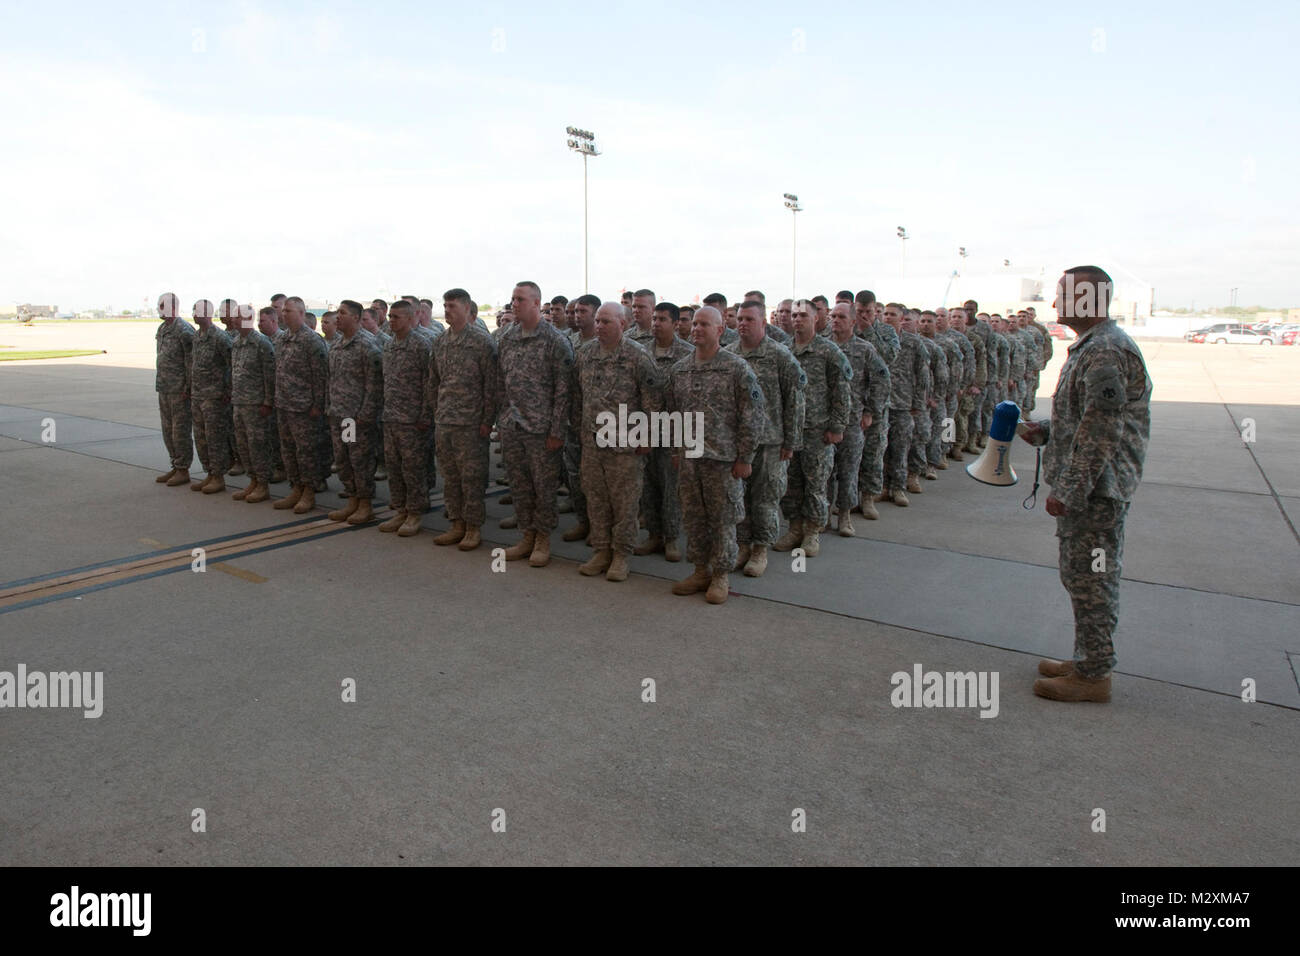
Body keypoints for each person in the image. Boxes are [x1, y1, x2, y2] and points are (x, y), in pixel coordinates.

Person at [1018, 266, 1152, 703]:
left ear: (1091, 298)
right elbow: (1083, 421)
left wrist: (1069, 490)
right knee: (1080, 578)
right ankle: (1088, 658)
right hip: (1091, 489)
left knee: (1093, 580)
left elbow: (1101, 433)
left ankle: (1094, 676)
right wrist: (1040, 431)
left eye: (1063, 295)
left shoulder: (1107, 353)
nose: (1055, 305)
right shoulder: (1093, 348)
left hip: (1097, 493)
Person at [664, 307, 762, 604]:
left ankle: (721, 574)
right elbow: (672, 414)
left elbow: (752, 415)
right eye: (694, 323)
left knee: (723, 519)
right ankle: (700, 570)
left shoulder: (736, 368)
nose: (696, 329)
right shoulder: (679, 369)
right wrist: (675, 450)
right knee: (694, 517)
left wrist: (745, 457)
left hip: (723, 459)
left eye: (704, 324)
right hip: (690, 457)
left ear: (720, 330)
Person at [571, 302, 663, 581]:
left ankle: (621, 554)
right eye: (597, 321)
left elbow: (653, 402)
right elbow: (578, 397)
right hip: (593, 442)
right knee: (596, 499)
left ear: (622, 325)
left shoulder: (637, 356)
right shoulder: (585, 354)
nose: (599, 326)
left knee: (625, 503)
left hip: (625, 446)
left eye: (606, 322)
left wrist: (648, 437)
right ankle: (601, 550)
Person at [496, 281, 574, 567]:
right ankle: (526, 535)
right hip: (513, 425)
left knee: (544, 487)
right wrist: (502, 417)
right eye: (513, 299)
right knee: (519, 484)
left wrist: (556, 430)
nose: (514, 303)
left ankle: (543, 539)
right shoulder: (507, 337)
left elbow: (563, 390)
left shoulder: (555, 340)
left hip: (542, 430)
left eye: (520, 299)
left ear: (536, 303)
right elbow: (500, 382)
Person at [726, 299, 804, 575]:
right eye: (739, 319)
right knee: (739, 497)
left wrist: (791, 441)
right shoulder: (729, 355)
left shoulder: (780, 355)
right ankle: (743, 544)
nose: (742, 324)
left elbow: (794, 400)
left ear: (763, 322)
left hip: (771, 441)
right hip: (737, 442)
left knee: (766, 497)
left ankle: (761, 549)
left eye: (749, 319)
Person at [774, 299, 850, 556]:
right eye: (794, 315)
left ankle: (812, 532)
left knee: (816, 484)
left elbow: (841, 392)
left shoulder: (828, 351)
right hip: (789, 431)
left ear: (816, 319)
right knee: (791, 484)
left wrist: (837, 426)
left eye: (803, 315)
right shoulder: (783, 350)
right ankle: (794, 528)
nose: (797, 319)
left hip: (818, 431)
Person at [428, 288, 499, 551]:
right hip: (445, 421)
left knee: (472, 478)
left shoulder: (482, 342)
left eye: (453, 306)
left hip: (471, 423)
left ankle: (472, 527)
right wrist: (436, 412)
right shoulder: (440, 341)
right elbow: (433, 381)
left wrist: (487, 420)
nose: (447, 310)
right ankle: (456, 523)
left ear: (467, 310)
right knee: (451, 477)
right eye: (445, 306)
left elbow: (491, 386)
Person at [636, 302, 694, 562]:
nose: (656, 323)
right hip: (643, 427)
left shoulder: (687, 354)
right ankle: (653, 535)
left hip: (675, 431)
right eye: (655, 319)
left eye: (662, 319)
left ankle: (671, 538)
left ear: (675, 323)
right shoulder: (640, 351)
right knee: (648, 486)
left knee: (672, 487)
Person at [827, 302, 888, 532]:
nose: (835, 320)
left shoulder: (865, 349)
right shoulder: (823, 347)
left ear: (853, 322)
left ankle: (845, 515)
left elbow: (882, 380)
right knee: (824, 472)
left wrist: (870, 411)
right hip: (824, 421)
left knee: (848, 470)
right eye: (833, 316)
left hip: (852, 421)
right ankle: (823, 515)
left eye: (841, 317)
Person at [378, 299, 433, 535]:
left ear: (411, 319)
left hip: (413, 420)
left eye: (396, 317)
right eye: (390, 316)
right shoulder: (389, 345)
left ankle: (414, 513)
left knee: (413, 469)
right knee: (394, 467)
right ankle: (400, 509)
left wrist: (424, 415)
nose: (391, 321)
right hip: (391, 417)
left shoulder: (422, 346)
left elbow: (428, 384)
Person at [325, 300, 383, 525]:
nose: (338, 317)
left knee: (360, 461)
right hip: (338, 413)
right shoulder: (338, 345)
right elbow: (331, 379)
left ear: (357, 318)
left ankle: (365, 504)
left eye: (342, 313)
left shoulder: (367, 346)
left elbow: (374, 385)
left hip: (355, 417)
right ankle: (352, 500)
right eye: (337, 313)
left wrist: (365, 416)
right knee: (343, 460)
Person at [273, 296, 329, 513]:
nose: (284, 314)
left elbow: (321, 376)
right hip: (284, 405)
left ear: (301, 314)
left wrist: (317, 405)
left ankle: (309, 492)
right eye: (283, 311)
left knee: (307, 452)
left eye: (288, 311)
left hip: (305, 408)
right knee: (288, 451)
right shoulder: (283, 339)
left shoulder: (312, 341)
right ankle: (295, 488)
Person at [229, 303, 276, 503]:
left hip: (256, 405)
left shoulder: (261, 343)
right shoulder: (237, 342)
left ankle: (263, 484)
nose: (233, 320)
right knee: (244, 445)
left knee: (258, 445)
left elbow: (269, 375)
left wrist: (267, 401)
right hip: (239, 402)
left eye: (237, 316)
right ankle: (253, 481)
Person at [188, 298, 232, 493]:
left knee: (215, 438)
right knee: (201, 437)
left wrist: (227, 391)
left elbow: (232, 365)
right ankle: (209, 473)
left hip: (214, 397)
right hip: (198, 395)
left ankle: (219, 476)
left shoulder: (220, 338)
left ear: (207, 313)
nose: (194, 314)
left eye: (197, 310)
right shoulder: (197, 336)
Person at [154, 292, 195, 486]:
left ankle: (183, 469)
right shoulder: (162, 329)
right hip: (164, 387)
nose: (158, 308)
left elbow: (190, 361)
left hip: (180, 390)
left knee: (180, 431)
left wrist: (188, 387)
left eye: (161, 304)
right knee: (168, 430)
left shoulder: (184, 330)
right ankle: (175, 464)